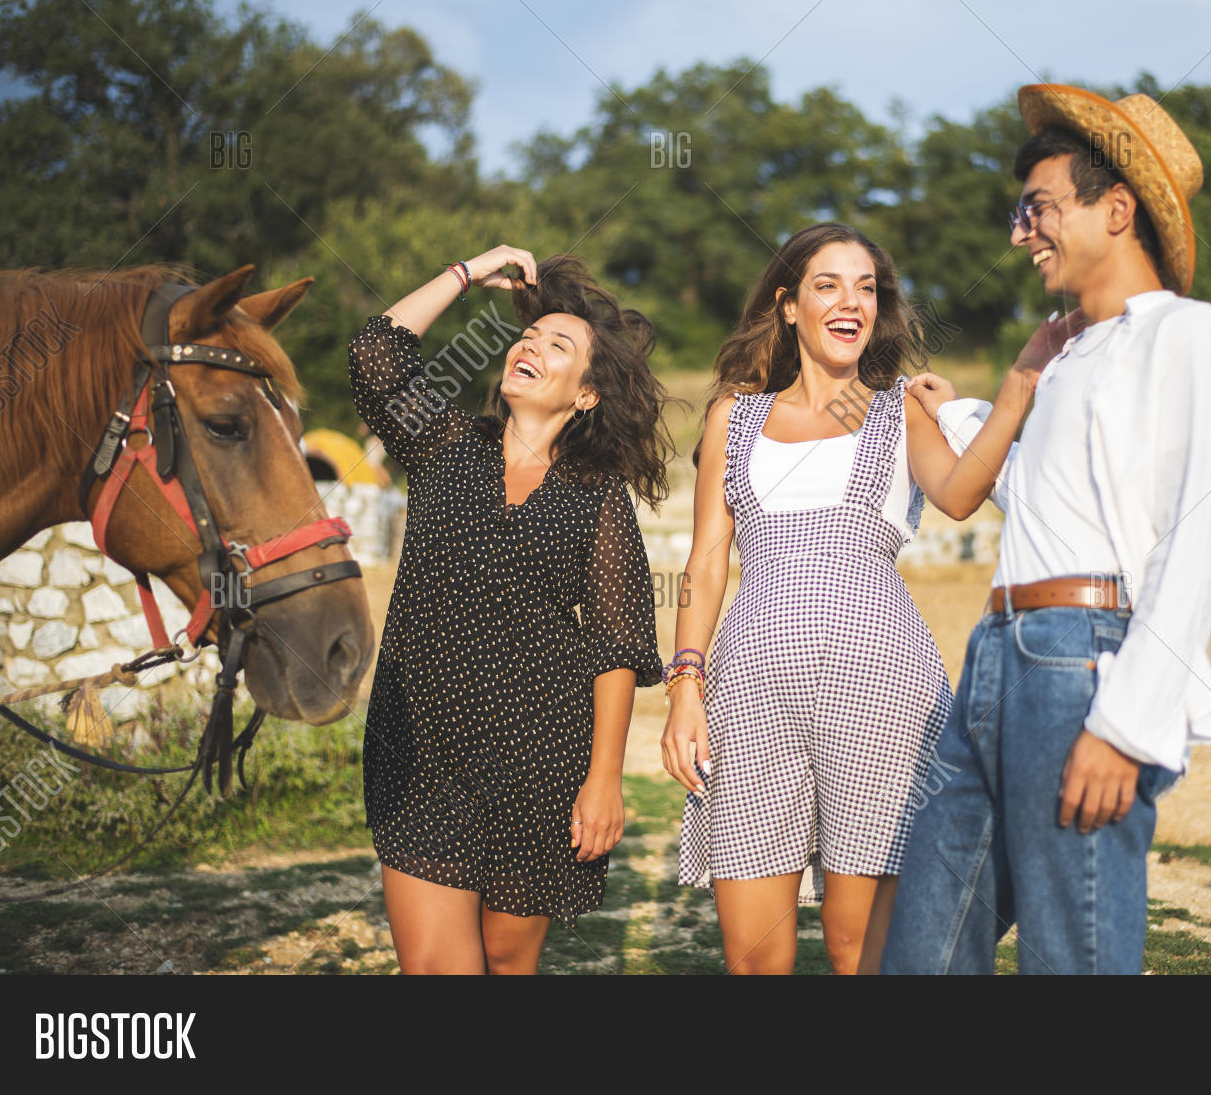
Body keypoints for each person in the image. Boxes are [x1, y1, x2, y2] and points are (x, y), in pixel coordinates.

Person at [881, 85, 1211, 975]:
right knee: (925, 953)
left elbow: (1193, 548)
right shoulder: (1061, 358)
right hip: (989, 660)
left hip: (1083, 666)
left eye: (1039, 208)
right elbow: (1040, 492)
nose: (1022, 233)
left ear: (1116, 209)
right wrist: (967, 413)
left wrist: (1127, 726)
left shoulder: (1200, 340)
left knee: (1071, 959)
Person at [660, 222, 1018, 975]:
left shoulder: (900, 409)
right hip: (752, 690)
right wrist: (685, 684)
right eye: (829, 285)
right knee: (754, 956)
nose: (851, 301)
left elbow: (959, 495)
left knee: (863, 952)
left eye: (867, 287)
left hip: (882, 689)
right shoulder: (735, 415)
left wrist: (1013, 392)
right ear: (789, 306)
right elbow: (706, 562)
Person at [349, 245, 669, 974]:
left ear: (586, 394)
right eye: (529, 335)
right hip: (421, 753)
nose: (531, 344)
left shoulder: (597, 496)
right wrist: (469, 272)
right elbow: (375, 353)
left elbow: (618, 645)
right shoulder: (444, 447)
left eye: (559, 344)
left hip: (541, 766)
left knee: (506, 963)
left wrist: (604, 779)